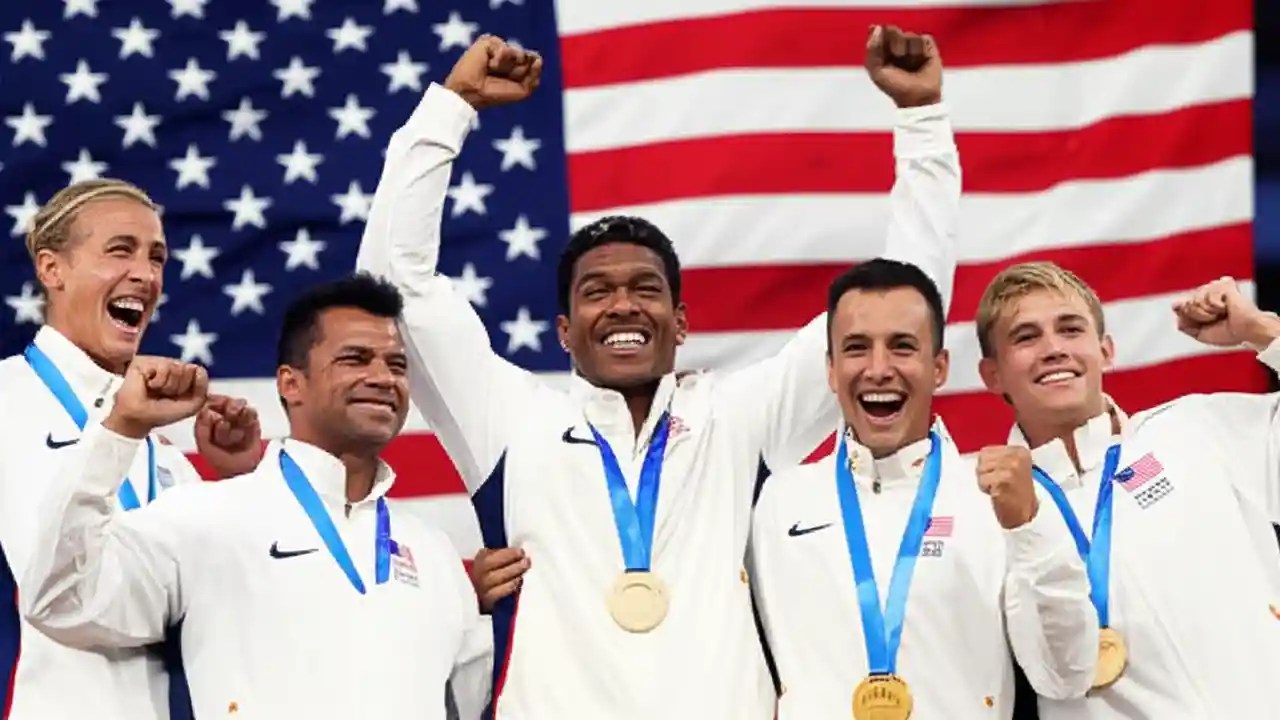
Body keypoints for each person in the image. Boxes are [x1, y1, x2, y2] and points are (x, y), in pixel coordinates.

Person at [357, 24, 962, 718]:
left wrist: (921, 124)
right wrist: (452, 106)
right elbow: (391, 286)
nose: (622, 305)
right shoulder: (510, 419)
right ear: (564, 331)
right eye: (595, 292)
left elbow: (905, 300)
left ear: (680, 323)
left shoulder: (739, 419)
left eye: (646, 289)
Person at [19, 273, 493, 719]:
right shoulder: (207, 517)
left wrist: (504, 607)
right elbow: (61, 599)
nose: (383, 378)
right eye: (355, 359)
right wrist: (121, 430)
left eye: (396, 365)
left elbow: (481, 702)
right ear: (290, 383)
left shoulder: (434, 554)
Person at [747, 259, 1097, 719]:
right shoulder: (776, 504)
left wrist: (1030, 530)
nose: (878, 369)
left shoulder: (1003, 498)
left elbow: (1065, 675)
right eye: (856, 348)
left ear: (938, 368)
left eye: (902, 347)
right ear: (831, 371)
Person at [0, 179, 261, 719]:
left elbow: (225, 615)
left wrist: (242, 487)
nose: (145, 275)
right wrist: (120, 431)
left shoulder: (164, 456)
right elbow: (62, 596)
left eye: (157, 257)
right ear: (52, 270)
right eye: (121, 250)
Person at [976, 263, 1280, 718]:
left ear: (1106, 350)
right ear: (992, 375)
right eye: (1026, 337)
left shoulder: (1200, 431)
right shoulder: (983, 509)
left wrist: (1264, 331)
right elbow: (1059, 675)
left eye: (1070, 328)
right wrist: (1028, 526)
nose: (1053, 349)